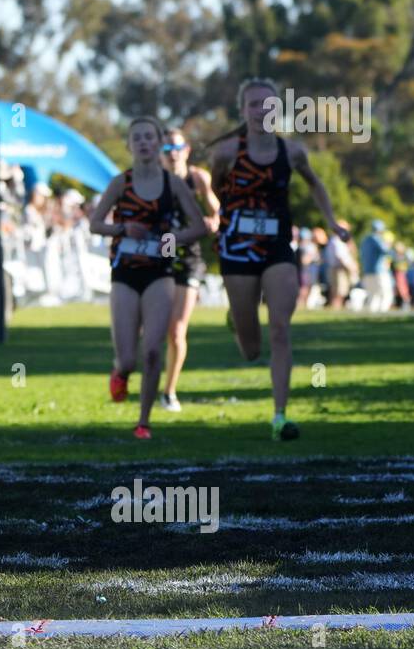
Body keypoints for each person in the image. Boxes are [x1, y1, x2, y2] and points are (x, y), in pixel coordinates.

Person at [210, 78, 349, 441]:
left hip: (277, 247)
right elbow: (217, 188)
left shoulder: (292, 152)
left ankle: (279, 416)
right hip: (237, 248)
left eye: (268, 104)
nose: (262, 111)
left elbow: (315, 183)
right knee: (251, 350)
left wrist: (331, 220)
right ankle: (237, 320)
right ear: (243, 111)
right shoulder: (226, 152)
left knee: (280, 329)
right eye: (254, 104)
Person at [90, 117, 208, 439]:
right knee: (129, 357)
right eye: (137, 138)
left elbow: (199, 227)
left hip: (161, 272)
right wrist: (122, 229)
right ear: (129, 145)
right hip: (125, 273)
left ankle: (143, 422)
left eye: (149, 137)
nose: (143, 143)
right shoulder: (120, 183)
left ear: (158, 144)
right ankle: (121, 372)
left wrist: (169, 240)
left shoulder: (174, 185)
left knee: (154, 349)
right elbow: (95, 224)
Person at [159, 126, 219, 412]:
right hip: (158, 258)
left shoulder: (197, 178)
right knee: (152, 329)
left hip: (189, 258)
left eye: (176, 149)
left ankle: (169, 391)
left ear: (187, 151)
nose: (172, 155)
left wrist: (214, 221)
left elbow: (216, 209)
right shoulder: (149, 180)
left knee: (176, 331)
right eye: (166, 150)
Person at [359, 219, 393, 312]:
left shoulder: (365, 239)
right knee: (386, 293)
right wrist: (390, 244)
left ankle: (372, 314)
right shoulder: (377, 239)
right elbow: (385, 250)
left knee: (372, 295)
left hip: (367, 271)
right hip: (379, 271)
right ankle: (383, 313)